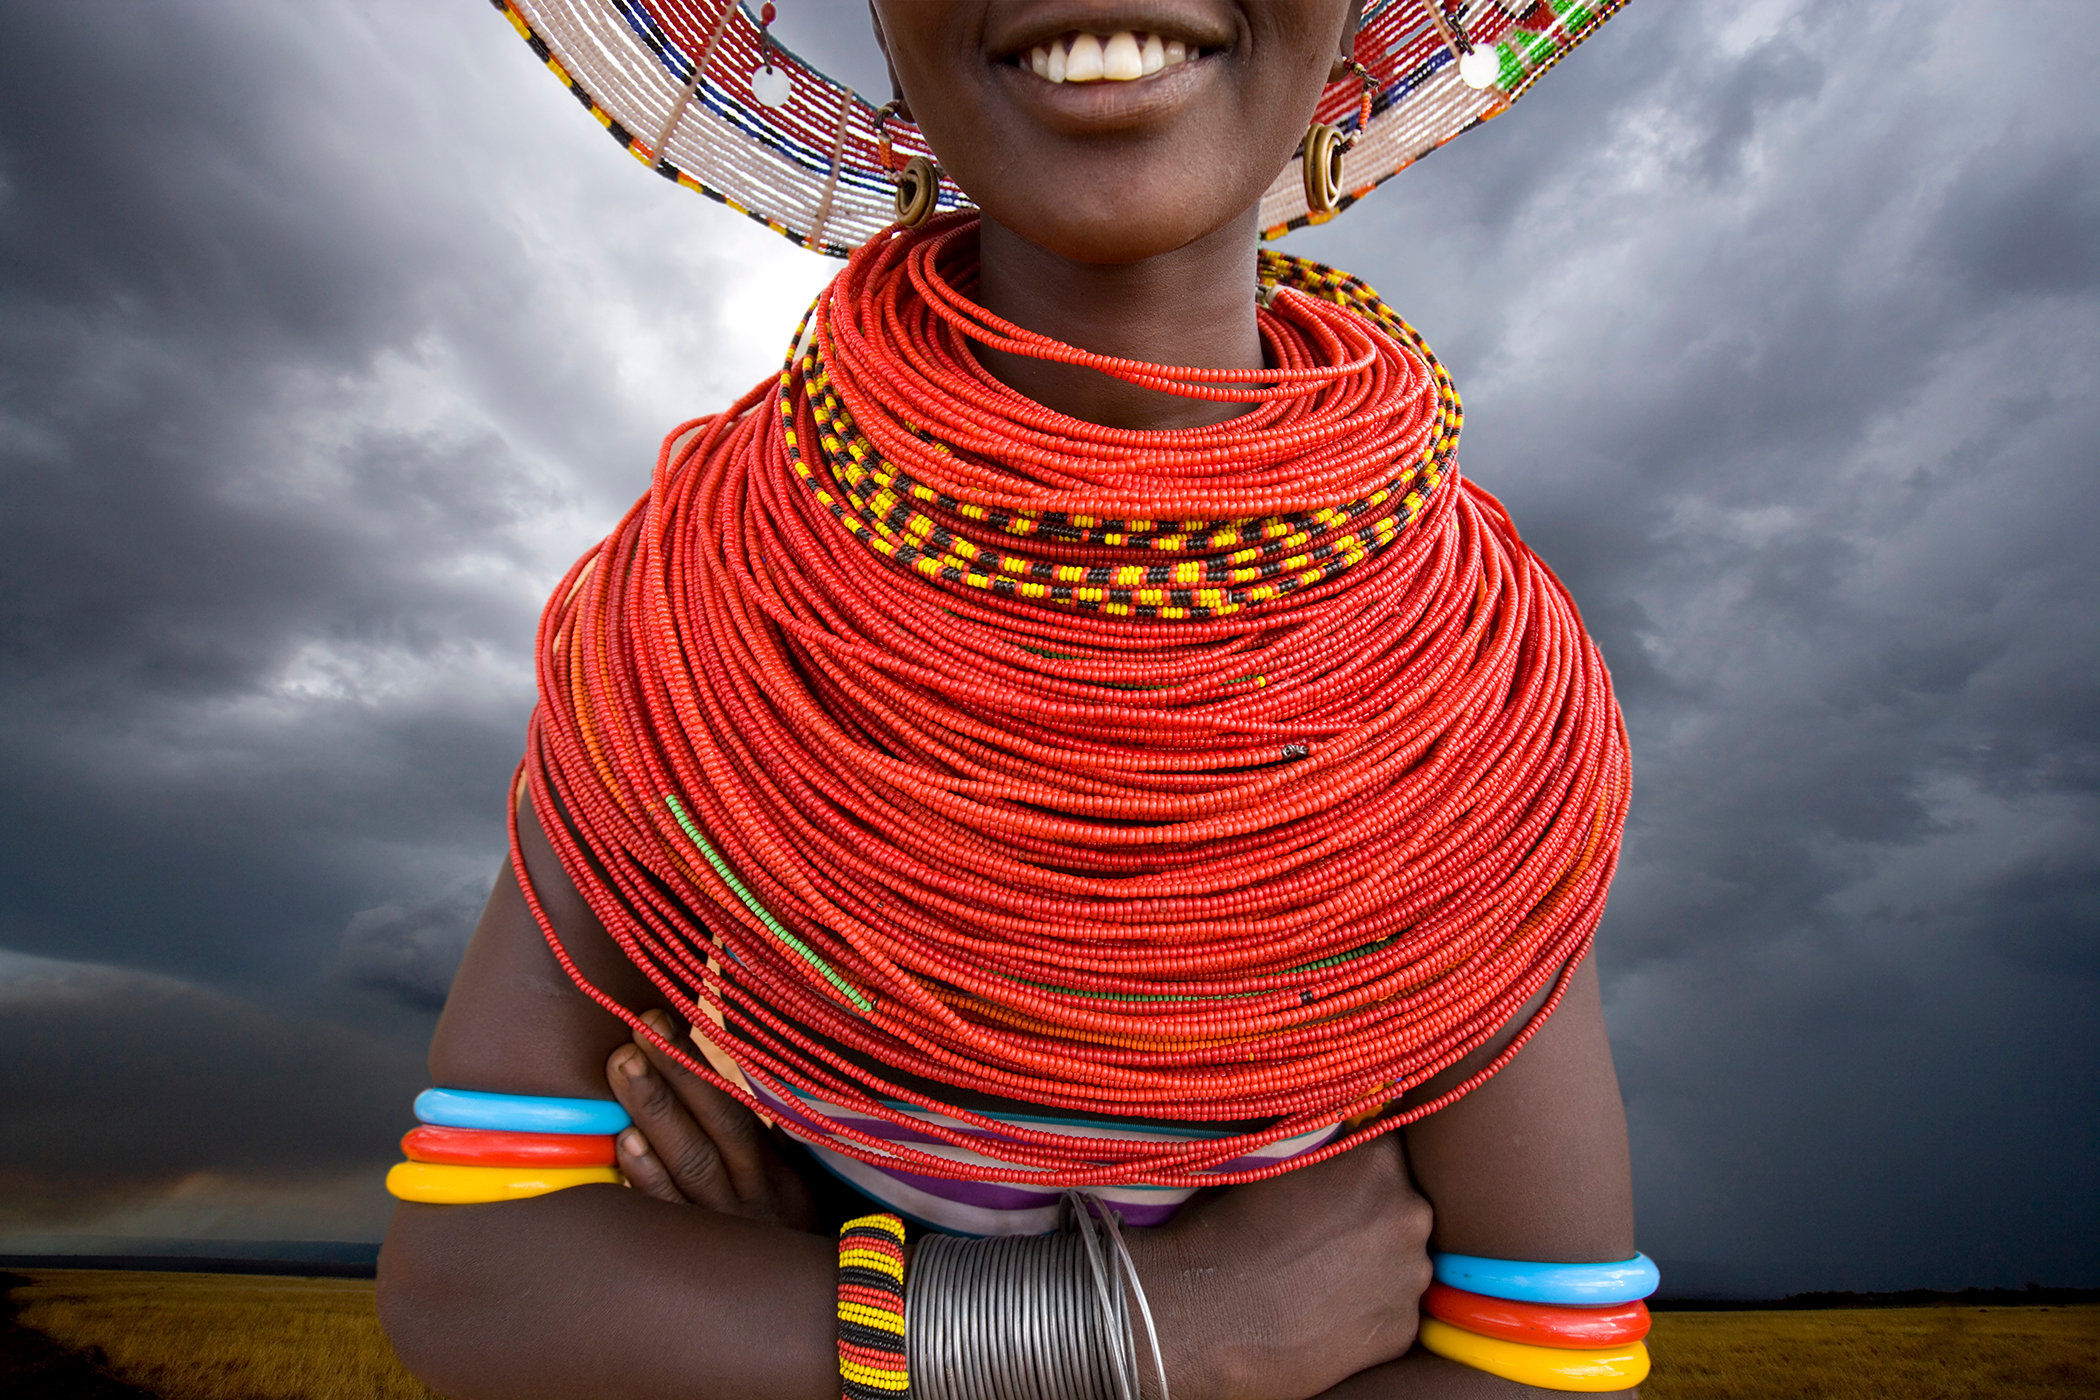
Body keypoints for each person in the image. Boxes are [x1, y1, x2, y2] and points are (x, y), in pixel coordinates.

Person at [378, 2, 1643, 1397]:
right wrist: (1160, 1336)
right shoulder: (699, 611)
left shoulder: (1460, 688)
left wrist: (777, 1324)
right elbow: (473, 1282)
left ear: (1359, 25)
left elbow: (1547, 1362)